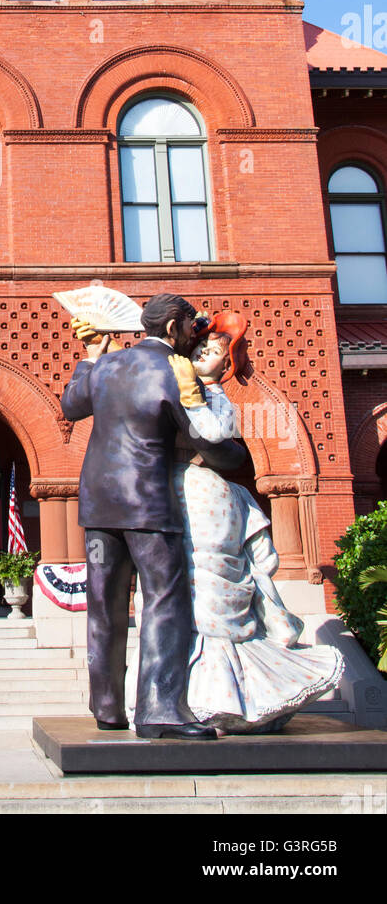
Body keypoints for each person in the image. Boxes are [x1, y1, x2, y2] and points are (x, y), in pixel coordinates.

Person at [61, 293, 246, 740]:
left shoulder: (107, 366)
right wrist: (233, 453)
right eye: (188, 327)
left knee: (104, 606)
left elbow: (70, 405)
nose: (192, 335)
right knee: (165, 601)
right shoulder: (175, 371)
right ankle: (161, 709)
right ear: (171, 329)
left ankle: (106, 707)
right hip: (146, 504)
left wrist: (90, 359)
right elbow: (208, 442)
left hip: (99, 504)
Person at [171, 314, 345, 733]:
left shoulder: (211, 399)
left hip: (203, 494)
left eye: (213, 352)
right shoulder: (170, 390)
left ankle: (227, 702)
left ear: (225, 366)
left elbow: (215, 436)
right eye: (198, 349)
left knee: (213, 591)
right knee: (192, 593)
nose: (202, 355)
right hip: (178, 492)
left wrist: (194, 394)